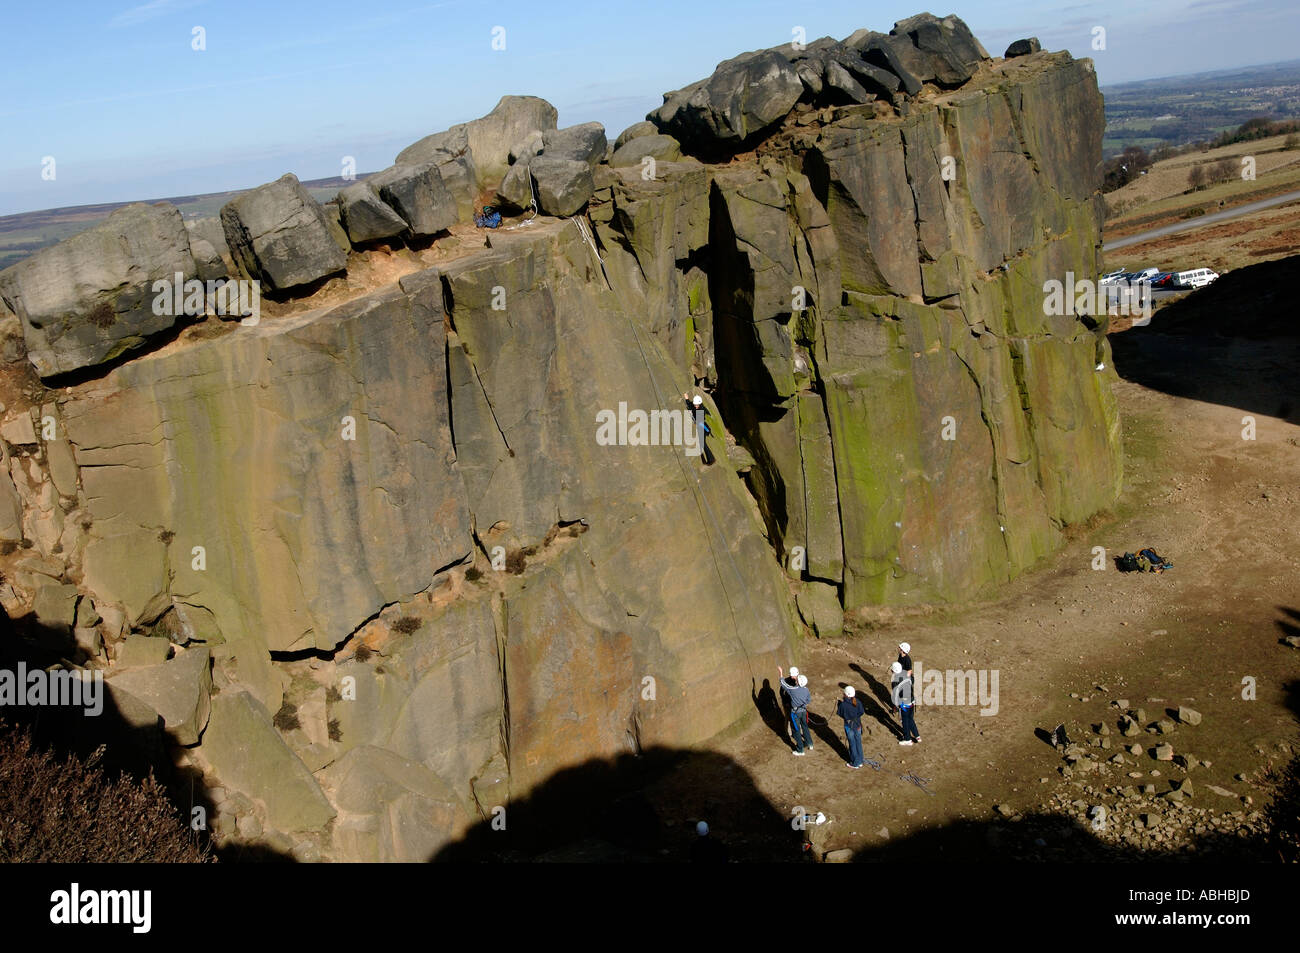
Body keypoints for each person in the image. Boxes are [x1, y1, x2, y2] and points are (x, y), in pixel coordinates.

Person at [778, 665, 813, 754]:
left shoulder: (793, 690)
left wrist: (780, 672)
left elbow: (783, 684)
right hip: (803, 711)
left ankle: (800, 749)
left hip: (795, 712)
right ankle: (810, 743)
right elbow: (809, 700)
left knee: (796, 730)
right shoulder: (806, 690)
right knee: (805, 727)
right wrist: (803, 705)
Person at [682, 393, 715, 465]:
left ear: (699, 404)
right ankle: (711, 459)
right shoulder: (696, 406)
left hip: (703, 427)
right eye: (695, 405)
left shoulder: (701, 410)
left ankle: (711, 459)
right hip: (702, 426)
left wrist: (695, 421)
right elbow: (690, 405)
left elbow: (699, 422)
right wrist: (687, 398)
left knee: (703, 443)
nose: (695, 406)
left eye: (696, 405)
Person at [837, 686, 865, 768]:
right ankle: (860, 760)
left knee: (852, 744)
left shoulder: (843, 705)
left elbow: (841, 714)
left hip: (849, 726)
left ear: (847, 695)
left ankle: (855, 763)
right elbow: (861, 712)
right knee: (858, 742)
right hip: (858, 725)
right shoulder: (858, 702)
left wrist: (839, 705)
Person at [893, 667, 920, 746]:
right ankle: (917, 735)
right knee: (910, 719)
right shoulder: (907, 676)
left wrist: (897, 705)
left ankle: (907, 739)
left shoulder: (896, 681)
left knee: (905, 721)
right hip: (912, 701)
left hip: (905, 704)